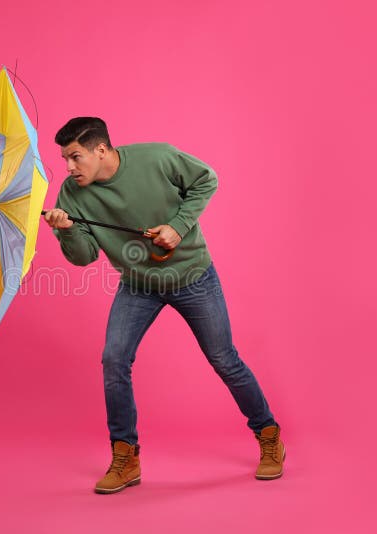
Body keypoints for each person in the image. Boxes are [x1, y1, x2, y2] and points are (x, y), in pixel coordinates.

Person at [43, 117, 285, 494]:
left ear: (101, 150)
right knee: (114, 359)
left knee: (224, 359)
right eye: (65, 160)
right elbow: (85, 256)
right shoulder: (71, 194)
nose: (69, 168)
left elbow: (207, 179)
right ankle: (126, 456)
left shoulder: (157, 158)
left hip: (193, 276)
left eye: (75, 157)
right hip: (137, 285)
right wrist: (67, 230)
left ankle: (268, 434)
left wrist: (179, 224)